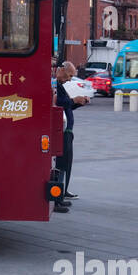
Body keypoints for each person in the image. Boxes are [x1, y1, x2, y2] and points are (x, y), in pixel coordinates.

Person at [53, 61, 89, 213]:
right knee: (62, 164)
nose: (70, 79)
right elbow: (58, 102)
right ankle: (57, 198)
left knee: (66, 164)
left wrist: (79, 102)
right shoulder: (55, 84)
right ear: (61, 70)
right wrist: (74, 100)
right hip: (62, 131)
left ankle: (62, 192)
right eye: (69, 75)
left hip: (67, 130)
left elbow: (66, 105)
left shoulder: (60, 85)